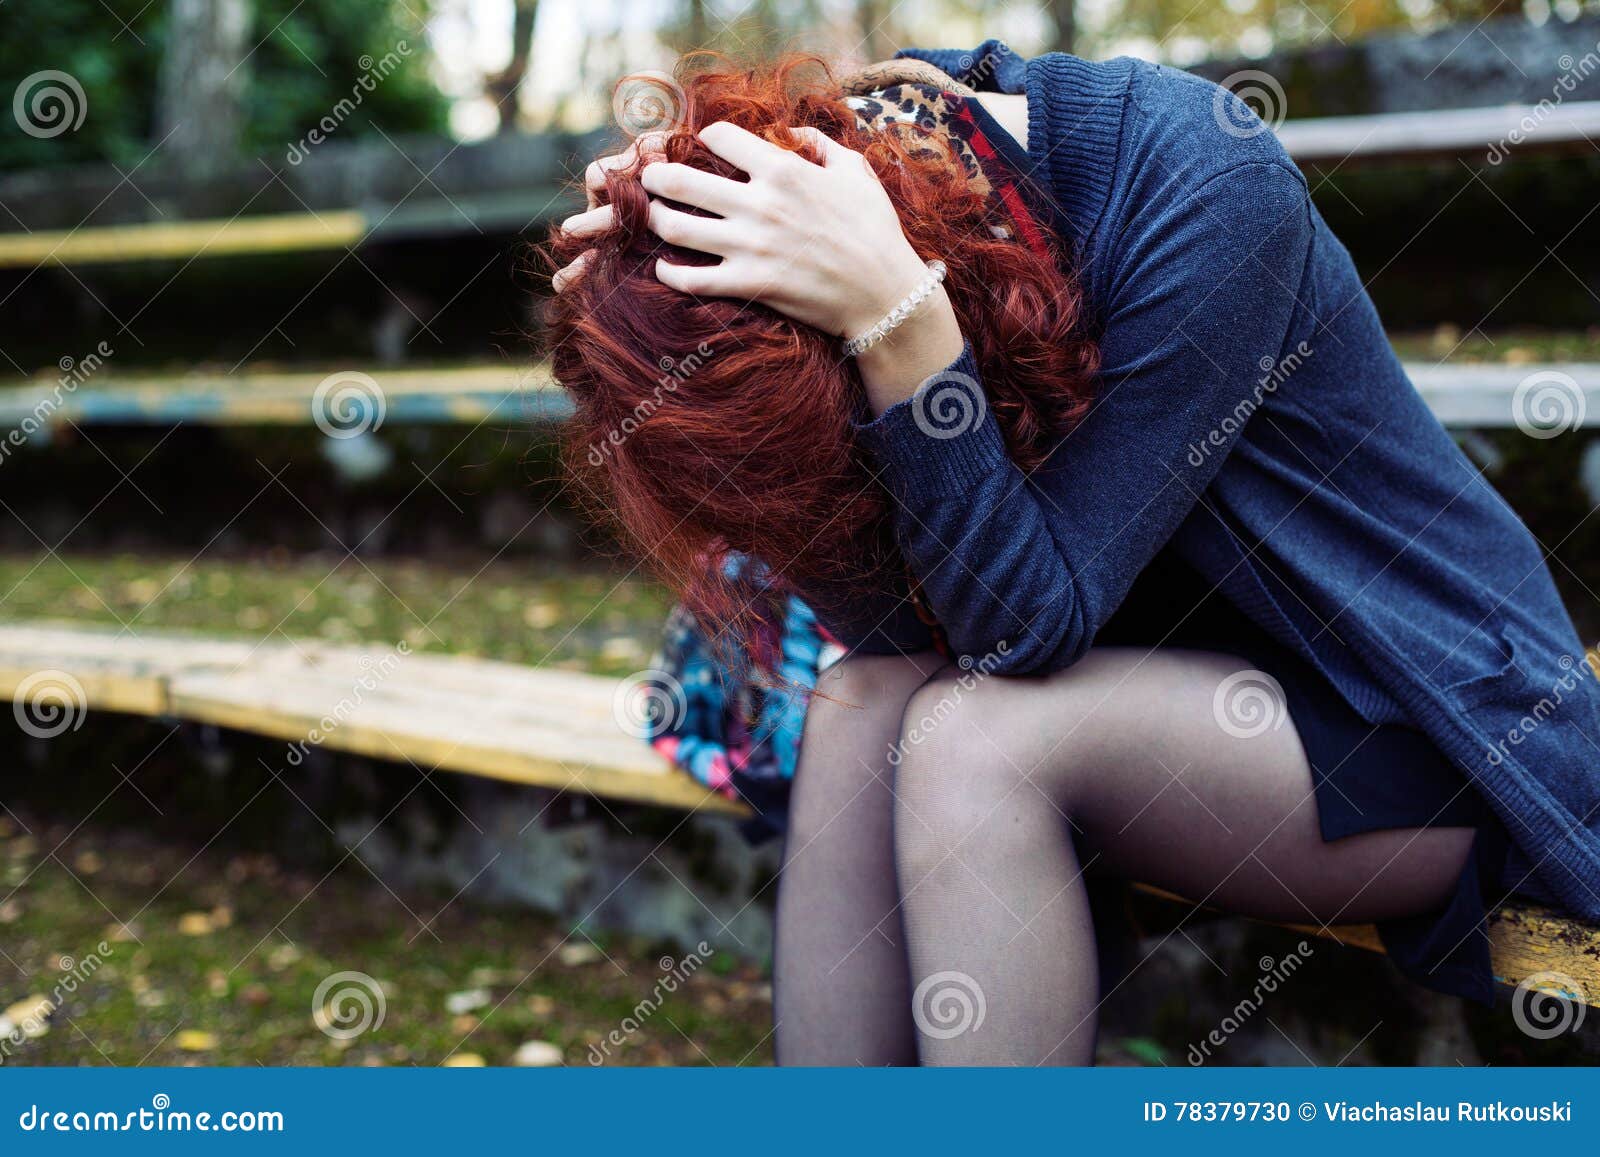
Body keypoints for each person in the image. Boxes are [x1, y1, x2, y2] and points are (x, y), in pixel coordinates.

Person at [545, 43, 1600, 1065]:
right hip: (1147, 688)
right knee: (859, 699)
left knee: (973, 739)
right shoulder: (900, 165)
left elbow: (1015, 633)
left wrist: (900, 329)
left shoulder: (1205, 184)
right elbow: (904, 629)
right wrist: (657, 287)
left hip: (1419, 713)